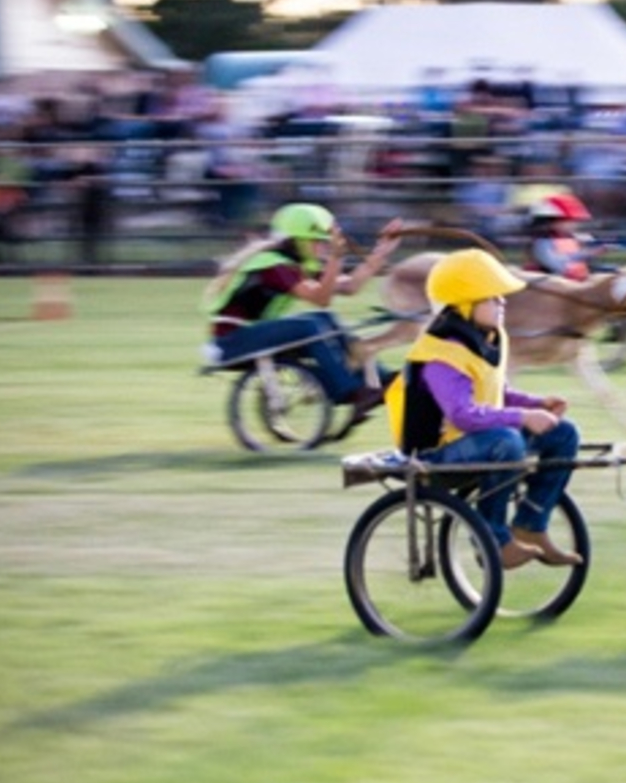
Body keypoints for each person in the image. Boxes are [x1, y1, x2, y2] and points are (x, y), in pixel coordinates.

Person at [385, 249, 582, 569]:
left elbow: (495, 393)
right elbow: (461, 414)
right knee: (507, 440)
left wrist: (536, 404)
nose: (503, 303)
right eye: (491, 298)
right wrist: (523, 417)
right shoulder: (441, 354)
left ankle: (531, 526)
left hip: (477, 442)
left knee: (564, 435)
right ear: (464, 305)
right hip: (435, 454)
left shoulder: (489, 338)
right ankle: (492, 537)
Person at [204, 203, 403, 423]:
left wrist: (381, 252)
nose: (323, 249)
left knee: (325, 321)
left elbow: (350, 286)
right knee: (310, 326)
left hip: (252, 336)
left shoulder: (291, 266)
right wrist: (336, 260)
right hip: (232, 341)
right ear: (298, 240)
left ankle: (382, 380)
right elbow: (321, 299)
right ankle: (351, 392)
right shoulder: (274, 267)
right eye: (318, 242)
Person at [524, 191, 598, 280]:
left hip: (570, 282)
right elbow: (556, 265)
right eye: (568, 221)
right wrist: (584, 254)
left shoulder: (576, 238)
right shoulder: (542, 242)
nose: (574, 225)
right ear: (549, 222)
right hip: (548, 285)